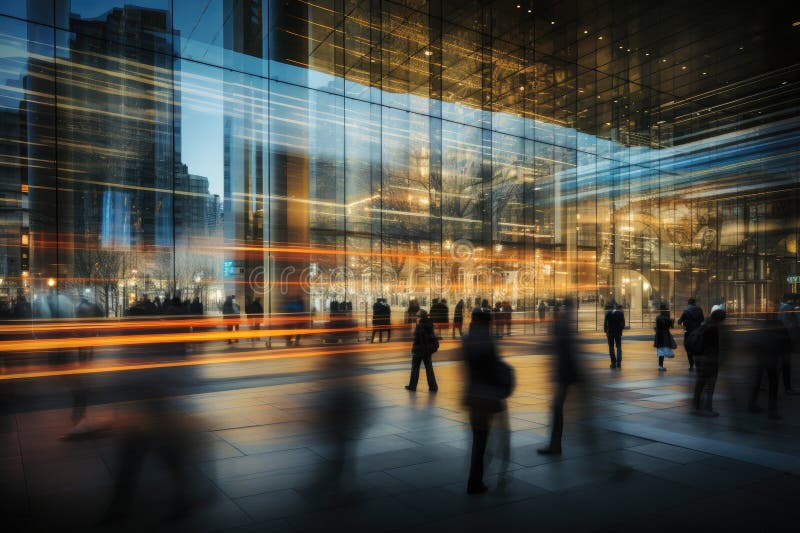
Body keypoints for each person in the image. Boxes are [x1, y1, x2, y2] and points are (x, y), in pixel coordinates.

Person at [462, 306, 512, 495]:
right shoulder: (487, 341)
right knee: (489, 440)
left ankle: (475, 480)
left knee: (479, 440)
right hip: (487, 397)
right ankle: (476, 482)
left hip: (473, 396)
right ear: (485, 321)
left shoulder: (467, 339)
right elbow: (491, 369)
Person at [538, 298, 579, 455]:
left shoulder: (561, 325)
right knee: (557, 408)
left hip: (566, 375)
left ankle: (555, 445)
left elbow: (561, 348)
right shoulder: (565, 324)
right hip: (568, 374)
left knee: (557, 408)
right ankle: (555, 444)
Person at [691, 304, 726, 417]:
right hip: (709, 360)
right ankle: (708, 408)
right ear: (719, 319)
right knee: (710, 385)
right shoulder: (713, 328)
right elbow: (714, 347)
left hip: (699, 358)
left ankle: (695, 407)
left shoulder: (704, 324)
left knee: (700, 383)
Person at [405, 309, 438, 392]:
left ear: (421, 317)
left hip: (418, 350)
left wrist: (413, 350)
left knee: (415, 368)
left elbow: (417, 339)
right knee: (429, 368)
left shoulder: (419, 326)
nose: (416, 318)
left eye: (418, 316)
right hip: (427, 350)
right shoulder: (429, 324)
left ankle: (412, 386)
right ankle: (433, 387)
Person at [777, 294, 797, 395]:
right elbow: (795, 322)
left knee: (781, 363)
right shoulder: (789, 308)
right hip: (786, 337)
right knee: (785, 364)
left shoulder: (780, 307)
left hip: (780, 337)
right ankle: (787, 388)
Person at [678, 297, 705, 371]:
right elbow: (702, 320)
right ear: (694, 303)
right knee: (698, 348)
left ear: (688, 303)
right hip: (698, 332)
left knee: (688, 349)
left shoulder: (686, 310)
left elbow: (679, 321)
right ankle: (698, 364)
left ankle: (691, 365)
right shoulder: (699, 309)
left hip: (689, 332)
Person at [654, 303, 675, 371]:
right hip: (665, 334)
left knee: (660, 350)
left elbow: (656, 326)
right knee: (664, 348)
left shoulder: (658, 317)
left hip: (659, 335)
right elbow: (671, 326)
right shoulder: (667, 318)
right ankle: (661, 364)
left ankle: (660, 366)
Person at [604, 302, 625, 368]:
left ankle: (613, 362)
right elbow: (623, 324)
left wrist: (606, 331)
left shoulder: (608, 314)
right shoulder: (620, 313)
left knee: (611, 348)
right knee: (619, 347)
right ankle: (619, 362)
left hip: (610, 333)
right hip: (618, 333)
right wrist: (620, 329)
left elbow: (605, 323)